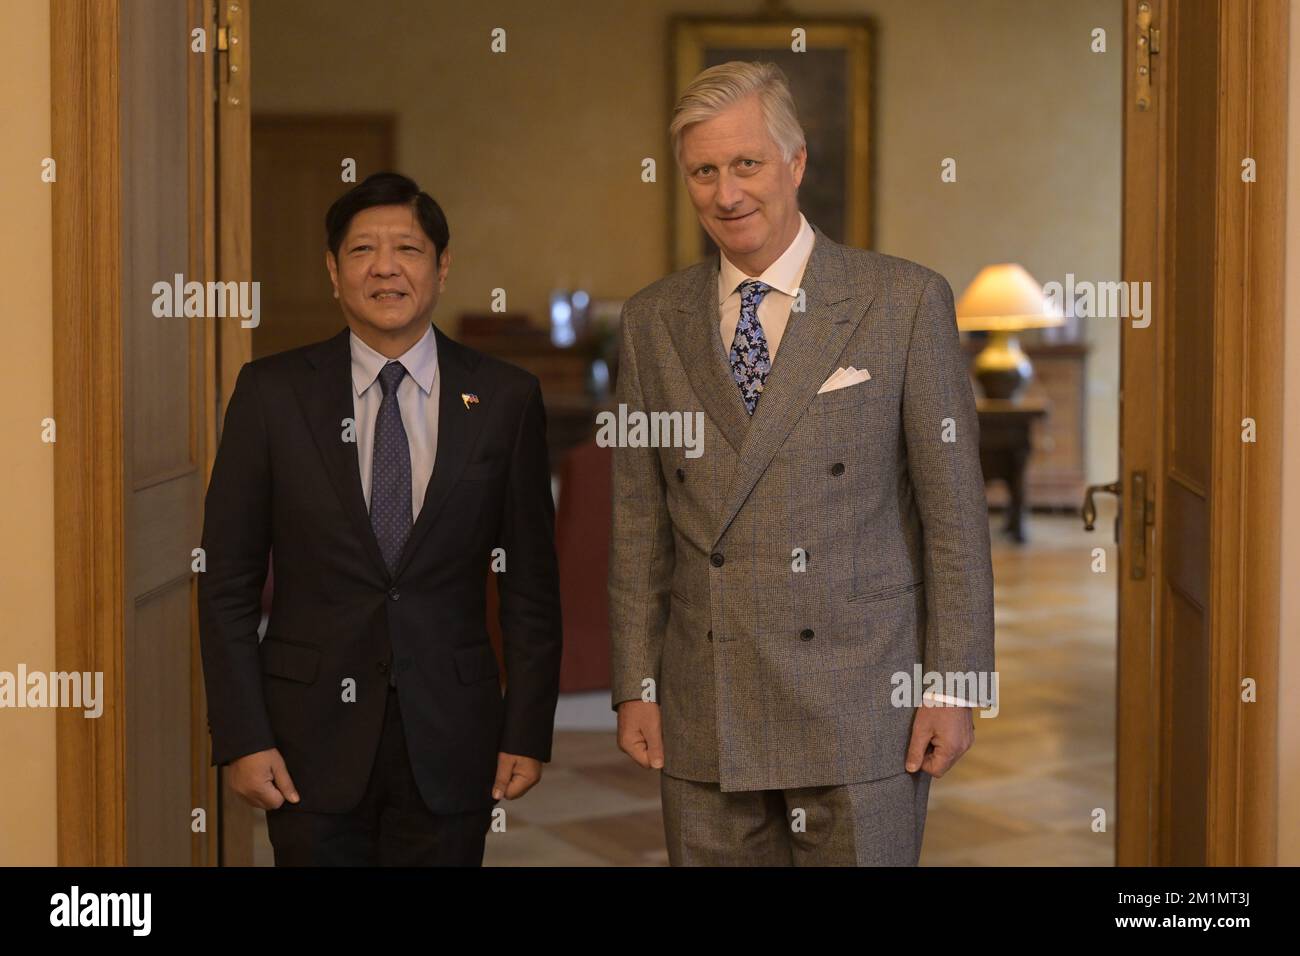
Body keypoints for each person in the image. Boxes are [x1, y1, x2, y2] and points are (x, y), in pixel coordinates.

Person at [608, 61, 995, 866]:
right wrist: (633, 683)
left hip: (861, 702)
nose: (727, 193)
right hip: (704, 700)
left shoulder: (904, 301)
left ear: (795, 162)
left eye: (746, 163)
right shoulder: (651, 321)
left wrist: (954, 686)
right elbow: (639, 520)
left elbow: (954, 514)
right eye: (703, 171)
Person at [198, 172, 562, 866]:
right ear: (334, 272)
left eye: (408, 249)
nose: (386, 267)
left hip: (453, 734)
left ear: (442, 267)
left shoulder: (505, 398)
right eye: (363, 249)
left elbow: (532, 589)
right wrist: (243, 736)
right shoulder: (271, 395)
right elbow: (226, 584)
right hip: (305, 740)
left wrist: (526, 729)